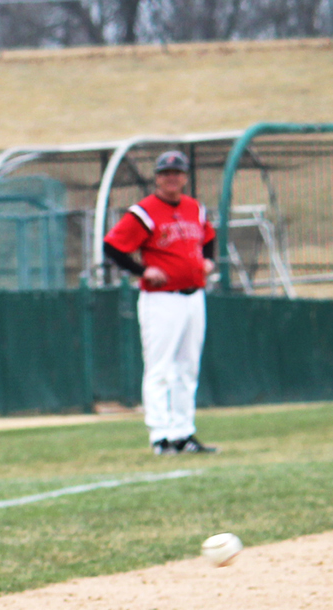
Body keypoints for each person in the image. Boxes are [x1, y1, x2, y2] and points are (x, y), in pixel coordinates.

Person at [103, 149, 219, 456]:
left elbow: (209, 238)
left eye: (177, 173)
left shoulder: (194, 207)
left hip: (193, 296)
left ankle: (183, 433)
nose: (172, 178)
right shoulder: (144, 211)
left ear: (184, 177)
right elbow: (112, 246)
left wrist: (208, 261)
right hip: (161, 299)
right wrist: (142, 271)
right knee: (160, 369)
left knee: (188, 368)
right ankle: (160, 436)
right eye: (166, 173)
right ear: (157, 178)